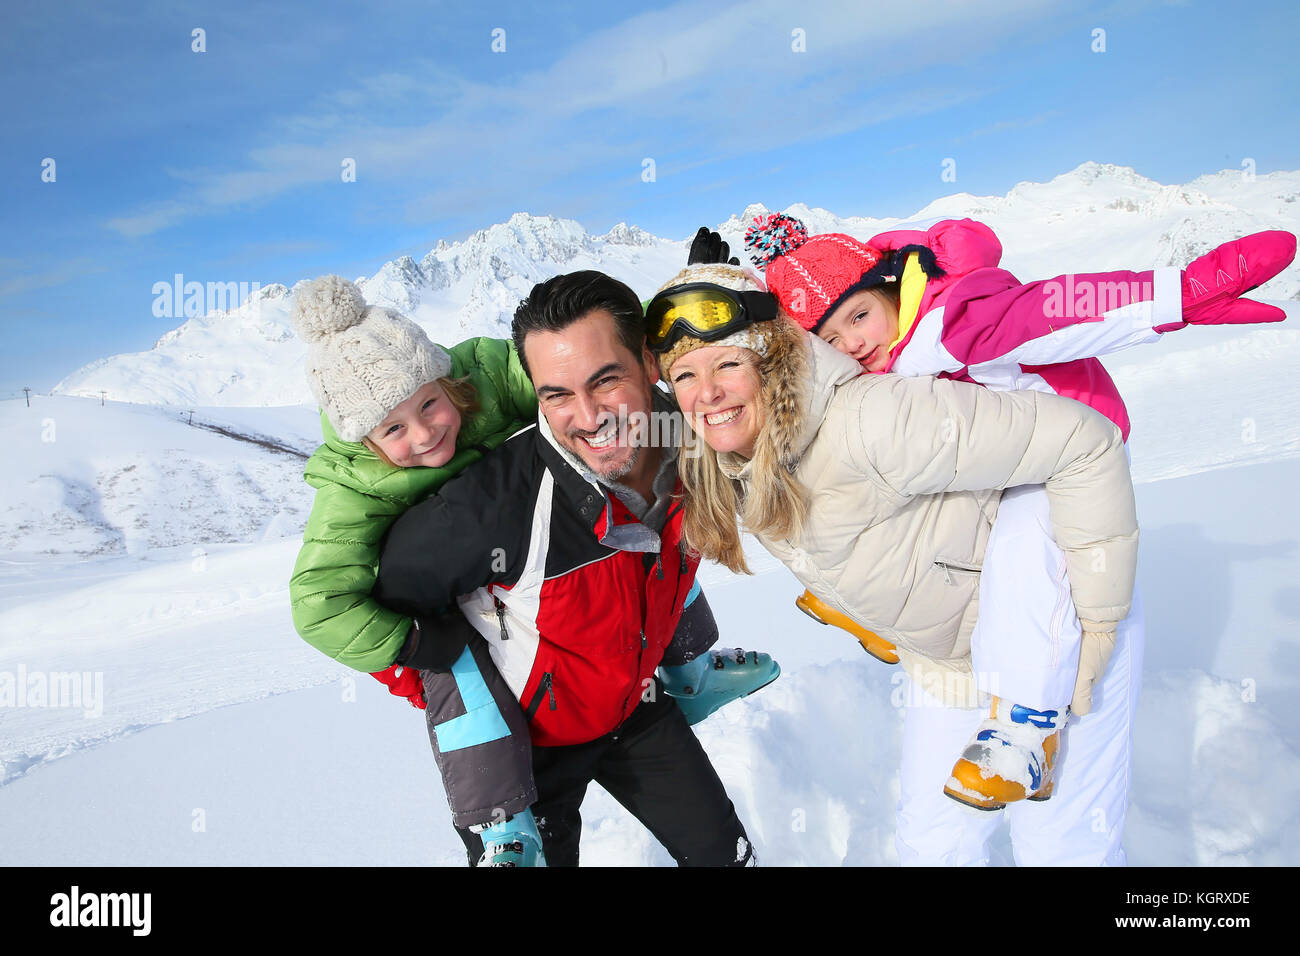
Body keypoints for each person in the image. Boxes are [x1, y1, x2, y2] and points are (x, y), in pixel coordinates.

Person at [740, 215, 1295, 811]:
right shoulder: (882, 361)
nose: (850, 342)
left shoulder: (953, 322)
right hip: (995, 457)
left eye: (858, 315)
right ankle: (863, 605)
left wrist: (1175, 294)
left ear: (893, 288)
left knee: (1025, 558)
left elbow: (1057, 310)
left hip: (1062, 455)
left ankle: (1025, 729)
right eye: (828, 335)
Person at [648, 260, 1148, 865]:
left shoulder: (874, 421)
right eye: (685, 375)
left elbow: (1085, 442)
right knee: (932, 846)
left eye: (728, 363)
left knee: (1062, 848)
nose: (708, 393)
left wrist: (1097, 628)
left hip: (1058, 639)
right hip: (947, 660)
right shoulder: (733, 457)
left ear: (773, 361)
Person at [288, 274, 774, 866]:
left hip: (633, 703)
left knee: (726, 852)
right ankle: (502, 823)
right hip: (527, 745)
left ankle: (692, 671)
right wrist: (417, 648)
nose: (425, 433)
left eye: (607, 380)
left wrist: (706, 307)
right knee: (450, 664)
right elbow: (333, 604)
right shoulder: (455, 514)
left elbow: (577, 348)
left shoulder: (679, 431)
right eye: (559, 395)